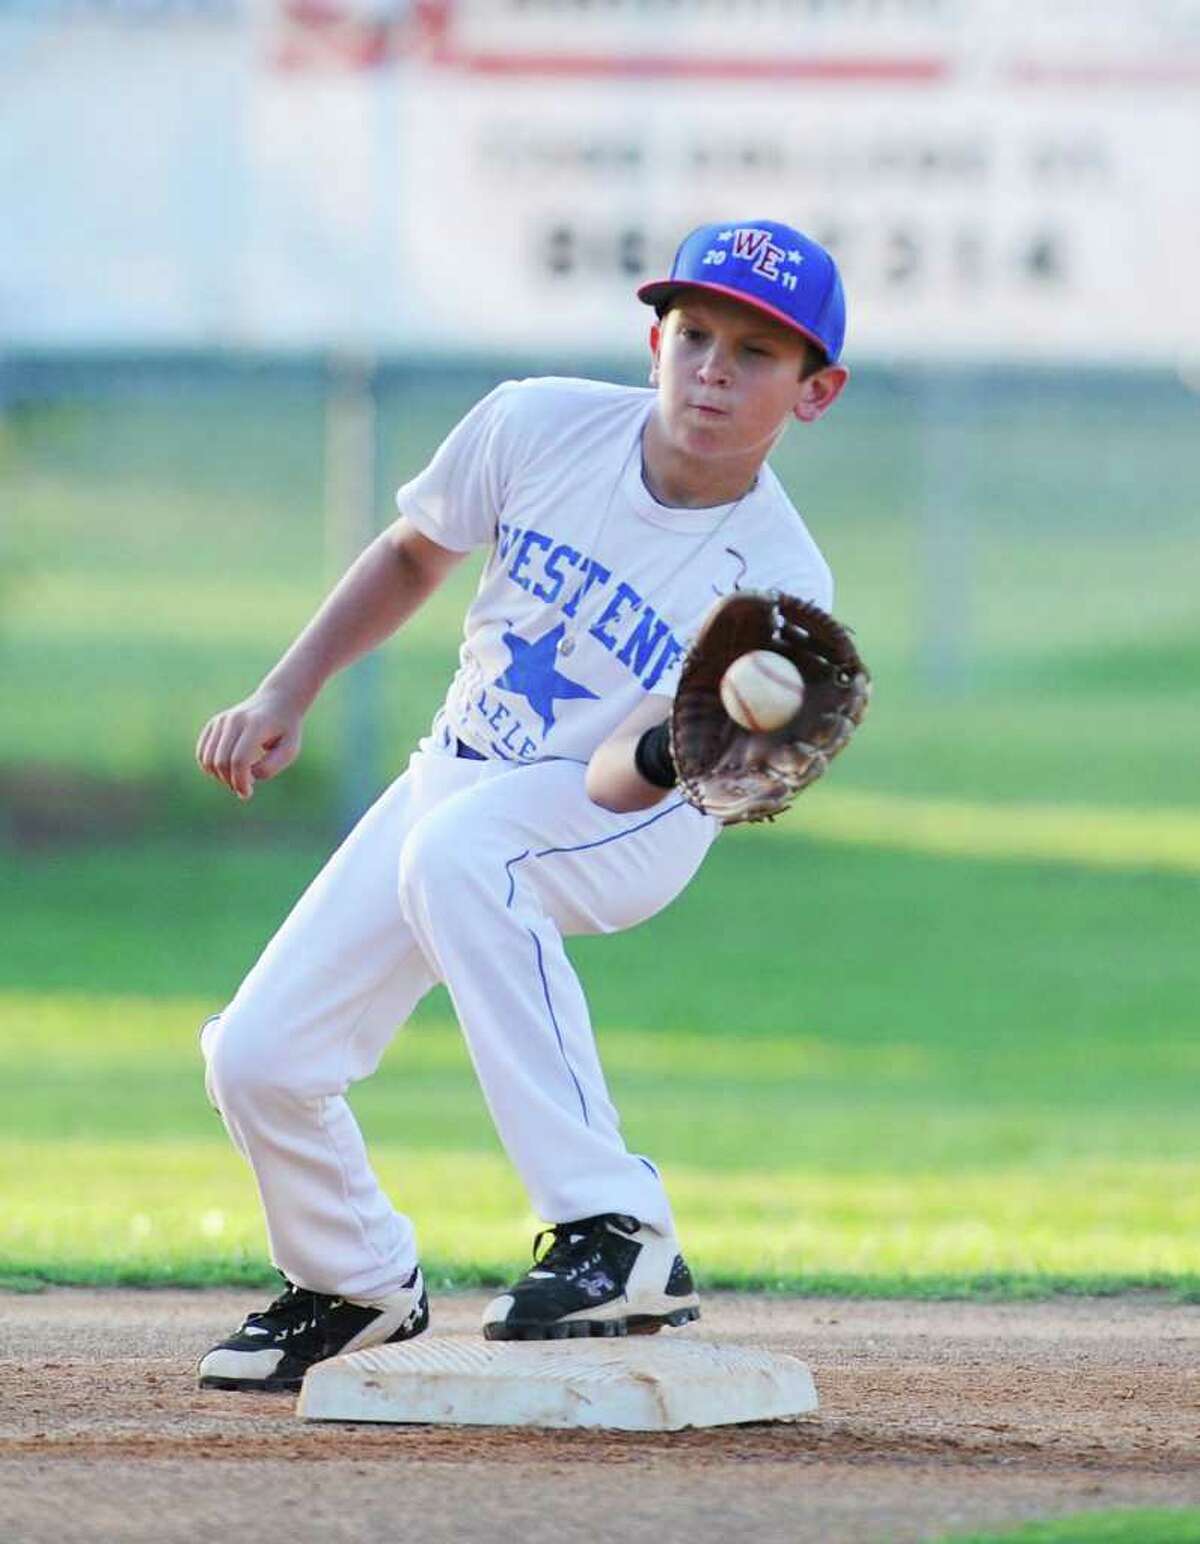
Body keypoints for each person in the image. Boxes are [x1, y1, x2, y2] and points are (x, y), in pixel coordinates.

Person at [194, 219, 849, 1391]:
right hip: (459, 775)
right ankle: (353, 1282)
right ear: (655, 337)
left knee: (466, 857)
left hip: (633, 813)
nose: (711, 368)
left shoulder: (778, 582)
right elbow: (412, 549)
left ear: (816, 392)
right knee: (258, 1054)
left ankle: (619, 1229)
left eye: (756, 352)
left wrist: (674, 736)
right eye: (695, 334)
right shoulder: (537, 423)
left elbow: (617, 779)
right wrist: (287, 687)